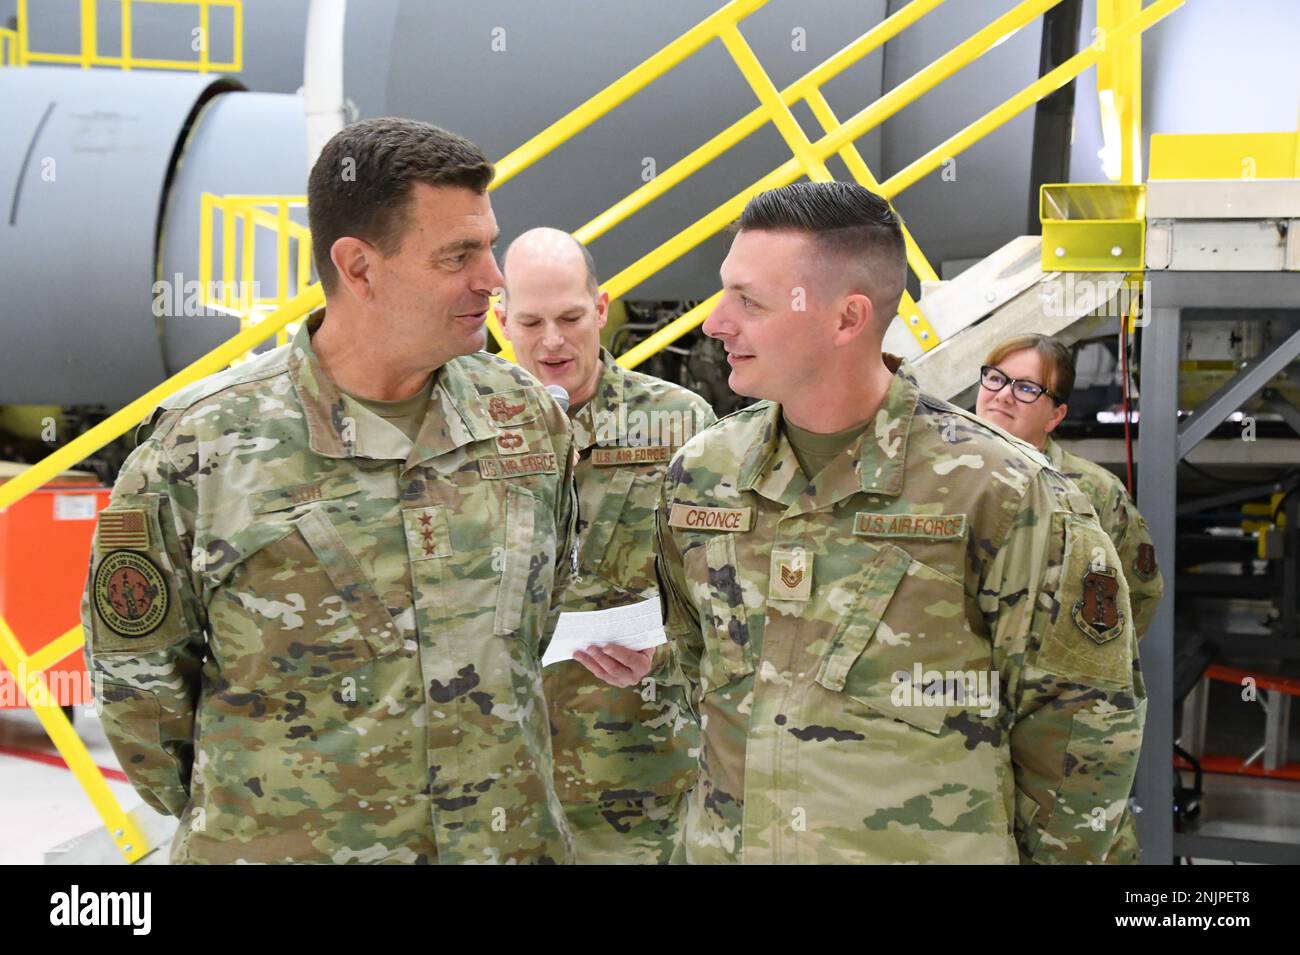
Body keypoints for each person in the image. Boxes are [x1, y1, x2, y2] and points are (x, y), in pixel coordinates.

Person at [81, 118, 579, 864]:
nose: (493, 278)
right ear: (359, 266)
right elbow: (141, 694)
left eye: (490, 244)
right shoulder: (201, 448)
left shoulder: (526, 419)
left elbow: (533, 625)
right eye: (458, 255)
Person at [654, 180, 1146, 864]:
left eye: (749, 301)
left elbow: (1082, 739)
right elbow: (694, 670)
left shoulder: (1005, 494)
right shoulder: (702, 473)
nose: (714, 323)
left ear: (847, 318)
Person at [496, 227, 715, 863]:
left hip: (640, 769)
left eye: (570, 316)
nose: (553, 340)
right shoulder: (468, 431)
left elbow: (728, 593)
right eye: (531, 321)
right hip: (503, 773)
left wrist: (668, 653)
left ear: (601, 307)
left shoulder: (681, 424)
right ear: (502, 318)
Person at [975, 333, 1164, 863]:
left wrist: (1081, 662)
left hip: (1061, 709)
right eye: (994, 378)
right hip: (960, 701)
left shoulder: (1092, 491)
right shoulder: (939, 477)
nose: (1002, 395)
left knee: (1079, 838)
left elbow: (1139, 594)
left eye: (1027, 388)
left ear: (1056, 416)